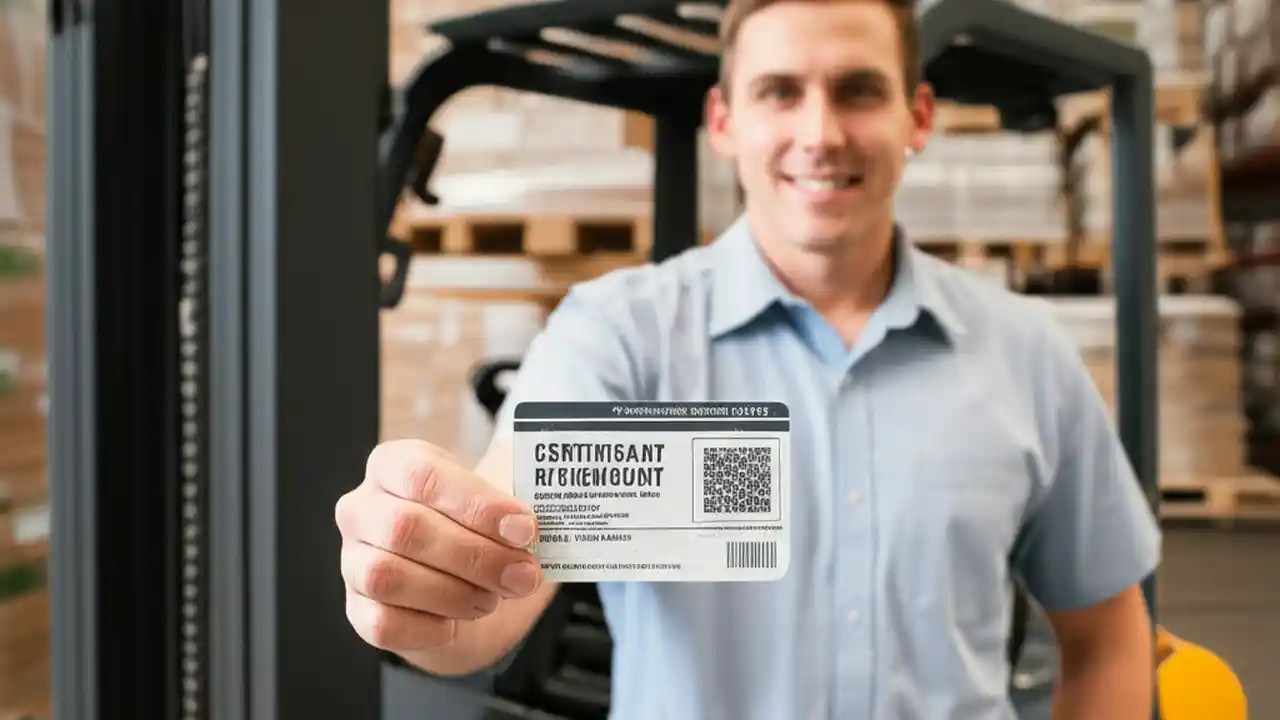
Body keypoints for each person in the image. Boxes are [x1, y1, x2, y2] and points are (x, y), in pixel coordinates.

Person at [334, 0, 1163, 717]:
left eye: (858, 91)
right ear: (725, 120)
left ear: (917, 116)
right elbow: (511, 558)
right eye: (780, 92)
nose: (821, 132)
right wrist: (436, 584)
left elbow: (1108, 634)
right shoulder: (619, 333)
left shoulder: (1025, 355)